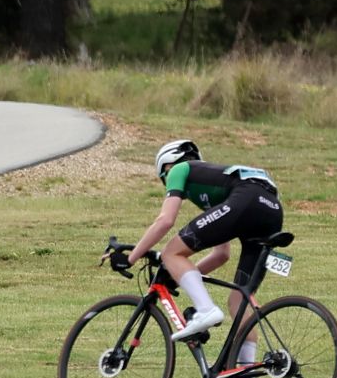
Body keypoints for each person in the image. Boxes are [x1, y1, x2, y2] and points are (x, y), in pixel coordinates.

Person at [120, 138, 283, 350]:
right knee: (238, 301)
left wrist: (129, 259)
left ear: (167, 166)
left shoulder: (179, 169)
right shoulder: (217, 187)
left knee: (171, 253)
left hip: (247, 198)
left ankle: (205, 310)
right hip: (272, 210)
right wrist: (180, 277)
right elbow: (221, 254)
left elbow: (165, 221)